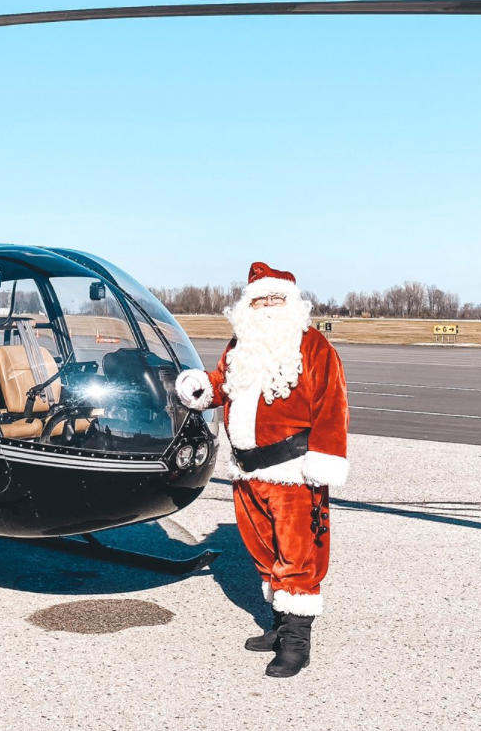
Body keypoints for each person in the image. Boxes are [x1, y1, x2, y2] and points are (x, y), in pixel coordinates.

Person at [174, 261, 349, 678]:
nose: (268, 306)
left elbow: (333, 406)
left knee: (297, 556)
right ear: (247, 306)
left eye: (276, 299)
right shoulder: (241, 345)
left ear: (292, 304)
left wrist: (325, 459)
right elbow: (226, 383)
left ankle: (296, 642)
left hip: (294, 470)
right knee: (264, 551)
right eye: (259, 299)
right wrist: (204, 388)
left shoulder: (313, 347)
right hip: (248, 471)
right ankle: (278, 624)